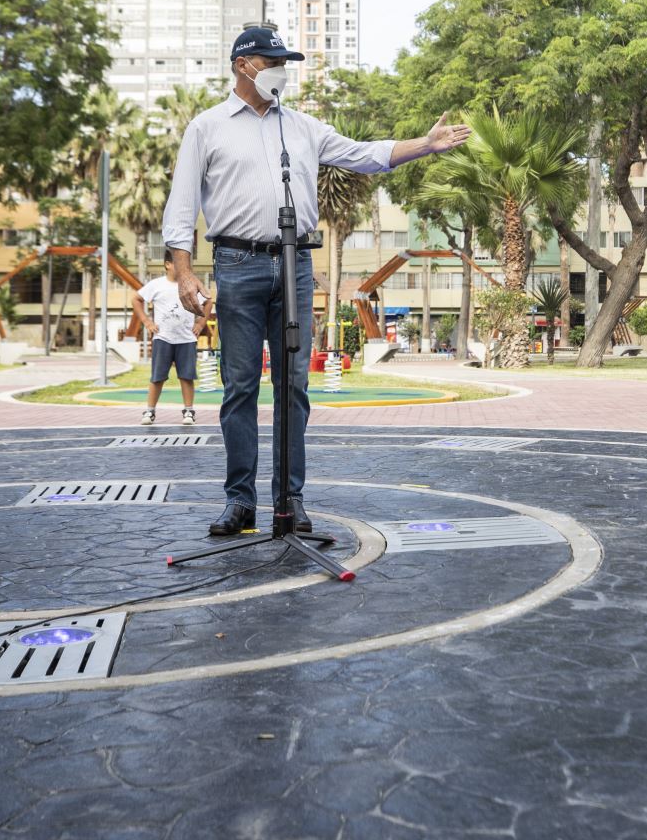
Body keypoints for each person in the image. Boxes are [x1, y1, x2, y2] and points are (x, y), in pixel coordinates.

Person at [162, 27, 470, 537]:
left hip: (296, 266)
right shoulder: (206, 127)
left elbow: (364, 153)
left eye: (284, 60)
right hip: (236, 264)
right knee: (240, 386)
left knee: (294, 385)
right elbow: (182, 203)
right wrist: (185, 271)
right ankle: (240, 501)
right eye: (273, 60)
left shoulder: (301, 127)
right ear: (244, 65)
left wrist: (426, 146)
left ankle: (290, 499)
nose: (282, 68)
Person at [138, 250, 209, 426]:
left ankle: (189, 411)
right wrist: (147, 322)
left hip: (186, 339)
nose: (185, 266)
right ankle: (150, 411)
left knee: (186, 376)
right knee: (157, 376)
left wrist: (200, 324)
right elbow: (136, 299)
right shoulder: (156, 285)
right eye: (179, 262)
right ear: (168, 264)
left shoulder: (191, 284)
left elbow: (208, 301)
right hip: (163, 338)